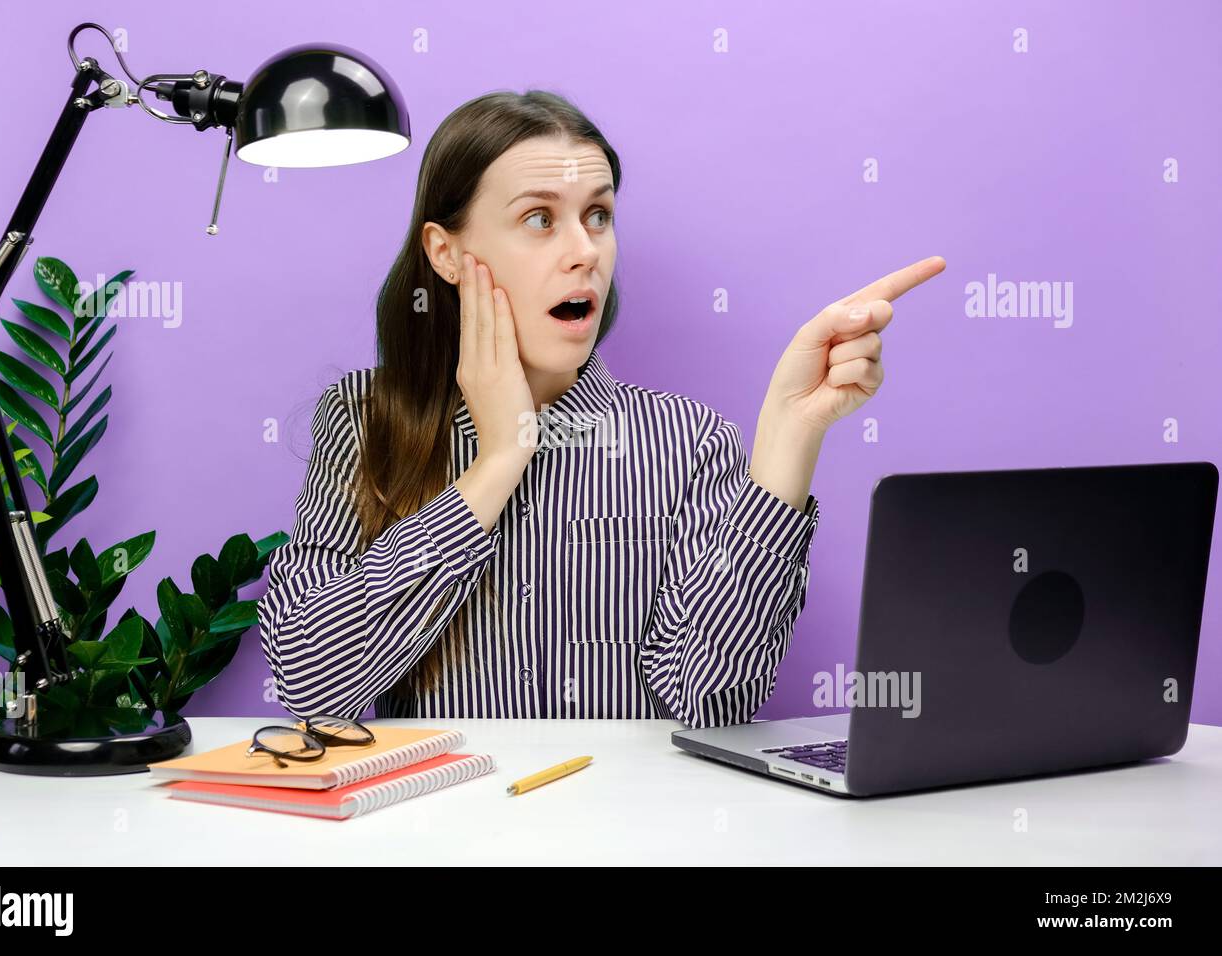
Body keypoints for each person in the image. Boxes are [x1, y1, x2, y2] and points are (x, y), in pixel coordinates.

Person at [258, 90, 944, 728]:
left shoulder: (687, 441)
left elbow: (710, 696)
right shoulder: (364, 419)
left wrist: (791, 436)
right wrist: (496, 461)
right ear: (448, 252)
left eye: (598, 216)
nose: (585, 251)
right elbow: (312, 685)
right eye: (539, 218)